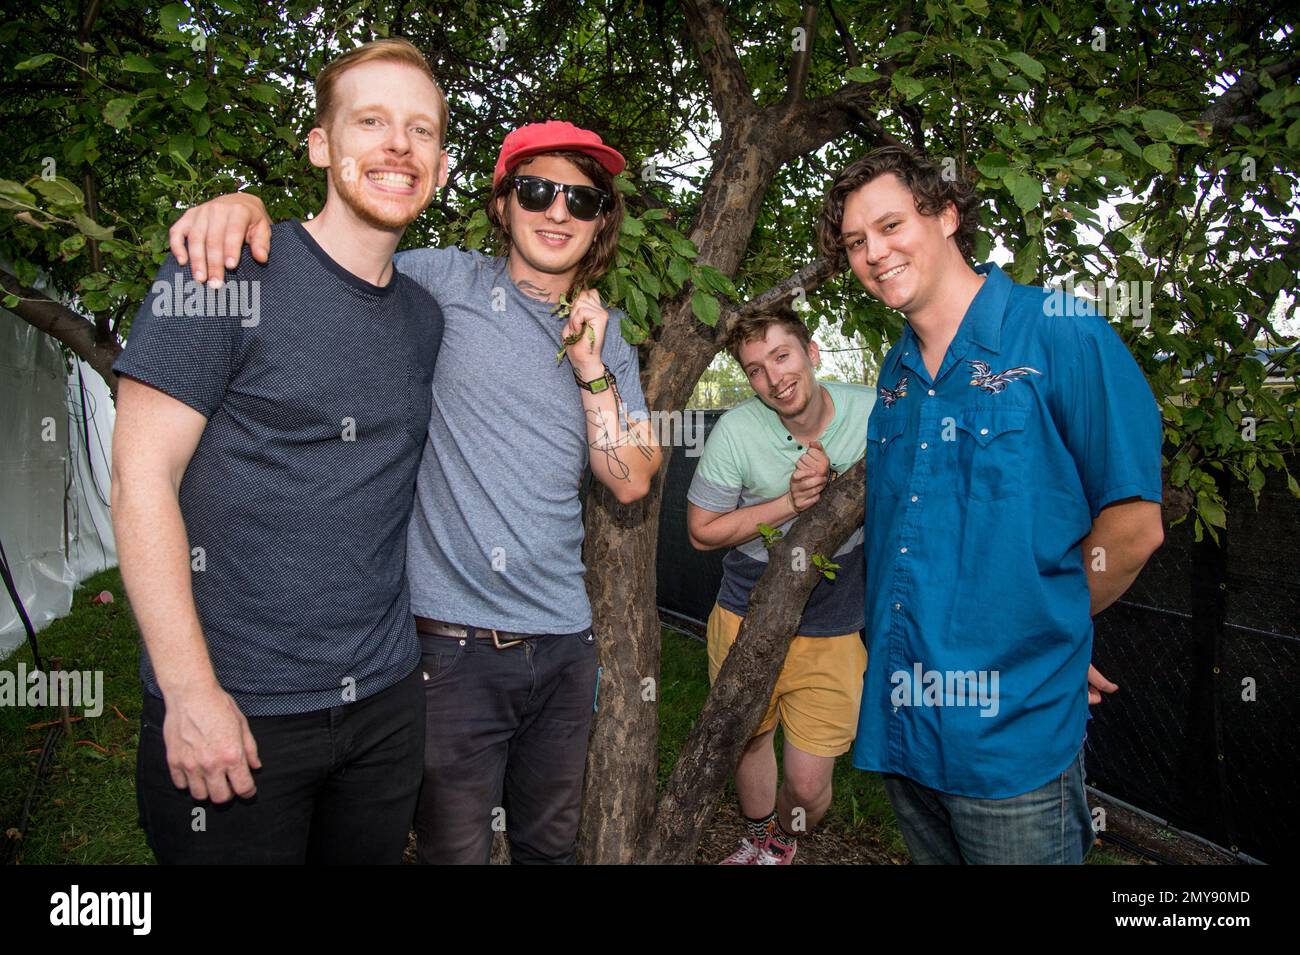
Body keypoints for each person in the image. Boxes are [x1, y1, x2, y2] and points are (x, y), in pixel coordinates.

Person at [167, 120, 662, 864]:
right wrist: (242, 209)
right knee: (452, 854)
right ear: (503, 204)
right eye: (537, 190)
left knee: (551, 848)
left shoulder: (607, 334)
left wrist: (592, 370)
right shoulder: (438, 281)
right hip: (451, 648)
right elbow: (335, 251)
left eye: (582, 200)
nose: (558, 212)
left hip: (565, 644)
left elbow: (632, 481)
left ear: (600, 222)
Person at [112, 38, 450, 863]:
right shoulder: (218, 272)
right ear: (321, 145)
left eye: (422, 130)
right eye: (371, 121)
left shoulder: (424, 317)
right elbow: (138, 478)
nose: (399, 145)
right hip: (235, 714)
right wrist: (191, 694)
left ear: (440, 165)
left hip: (384, 708)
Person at [817, 145, 1165, 864]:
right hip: (905, 725)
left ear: (946, 215)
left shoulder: (1062, 332)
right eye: (856, 242)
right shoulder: (897, 370)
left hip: (1010, 743)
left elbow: (1134, 530)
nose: (874, 253)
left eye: (890, 226)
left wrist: (1047, 637)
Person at [687, 313, 874, 864]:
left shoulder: (873, 412)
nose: (774, 378)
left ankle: (786, 840)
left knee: (810, 787)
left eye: (782, 356)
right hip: (747, 610)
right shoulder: (737, 431)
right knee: (747, 737)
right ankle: (761, 842)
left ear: (812, 353)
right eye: (756, 370)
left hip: (834, 618)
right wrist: (790, 504)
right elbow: (702, 531)